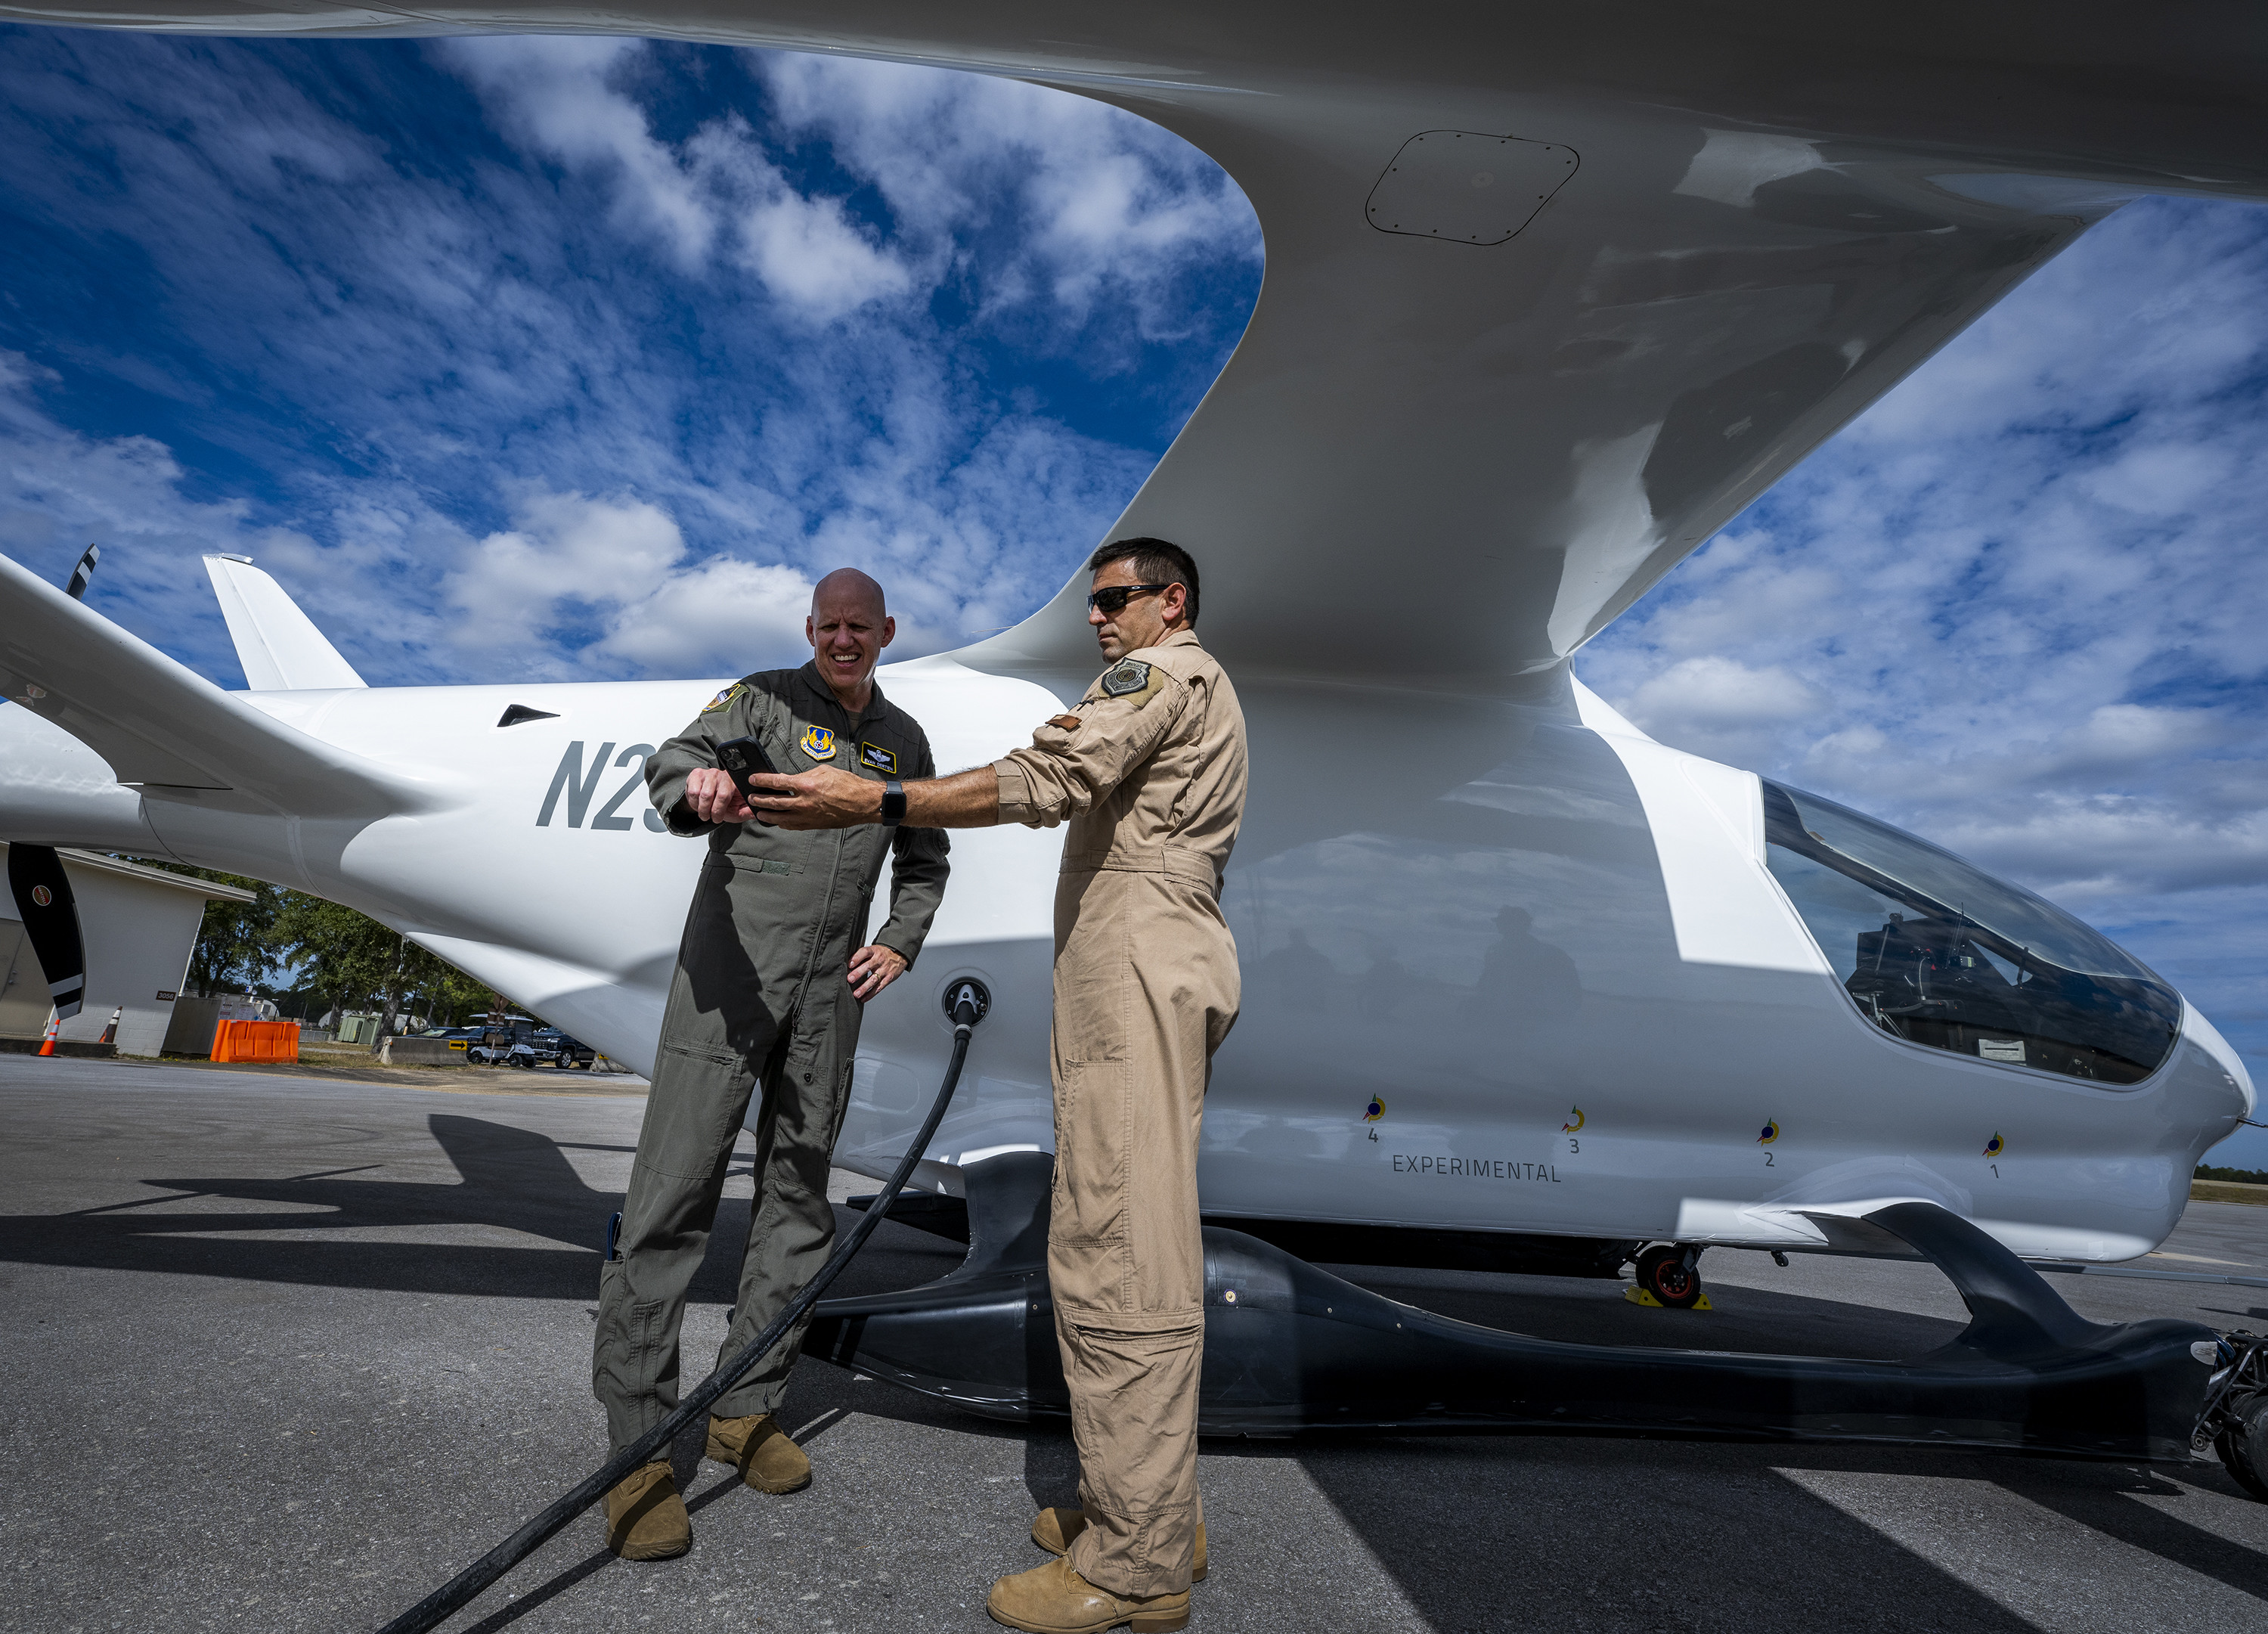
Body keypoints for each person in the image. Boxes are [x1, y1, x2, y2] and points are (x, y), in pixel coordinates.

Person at [749, 538, 1245, 1634]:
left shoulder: (1162, 674)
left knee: (1118, 1245)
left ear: (1173, 601)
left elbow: (1047, 779)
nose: (1099, 621)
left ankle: (1137, 1565)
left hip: (1136, 971)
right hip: (1144, 964)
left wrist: (875, 802)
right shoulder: (1186, 684)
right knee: (1129, 1231)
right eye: (1093, 604)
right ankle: (1160, 1513)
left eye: (1116, 600)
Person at [593, 568, 951, 1561]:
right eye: (828, 626)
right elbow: (674, 762)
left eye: (858, 627)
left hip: (827, 1002)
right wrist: (694, 786)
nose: (843, 640)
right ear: (812, 629)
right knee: (672, 1205)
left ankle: (746, 1409)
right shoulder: (759, 698)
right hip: (727, 981)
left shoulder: (904, 743)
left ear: (886, 631)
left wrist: (903, 937)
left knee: (798, 1209)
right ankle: (637, 1447)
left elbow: (924, 860)